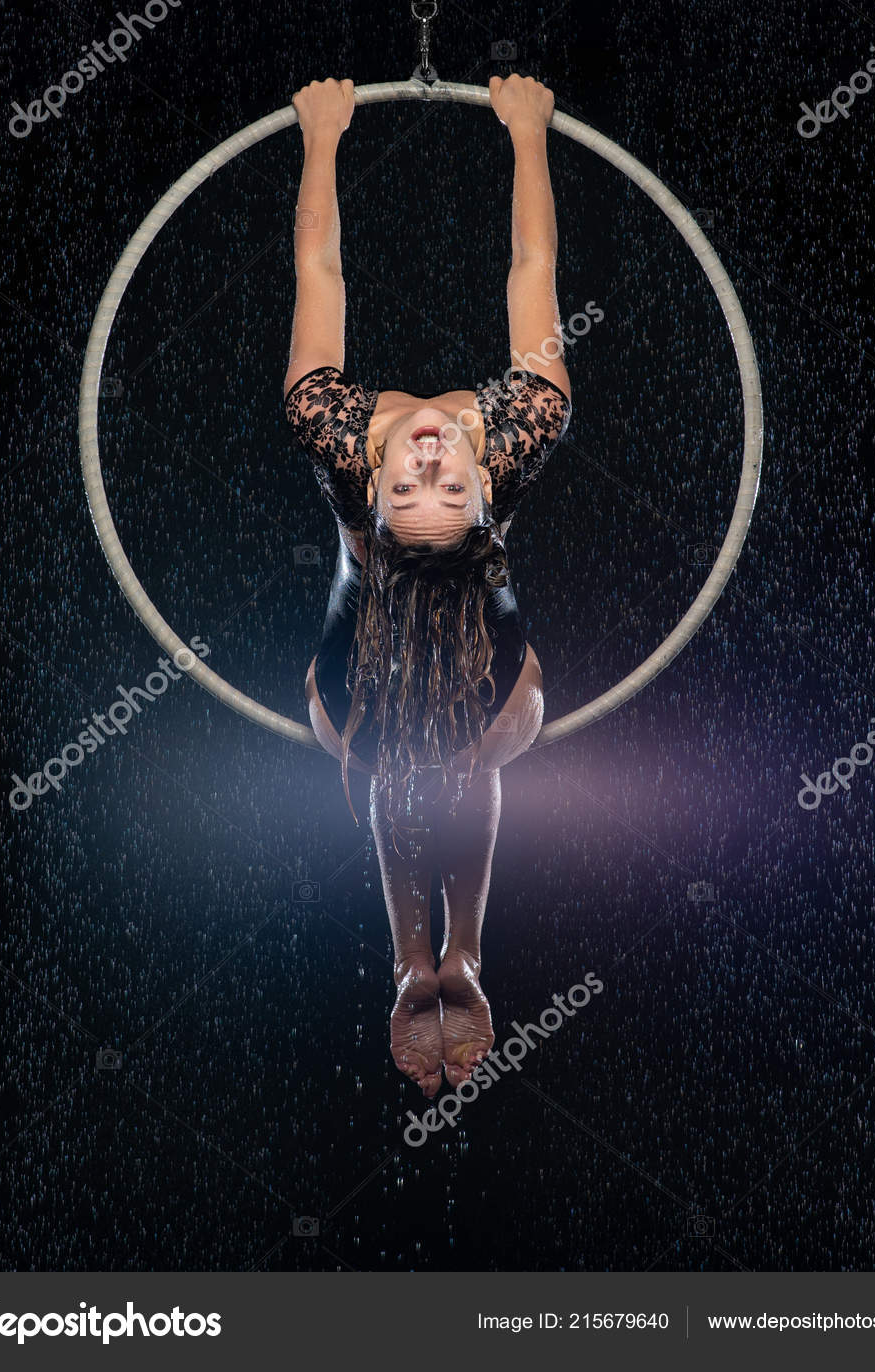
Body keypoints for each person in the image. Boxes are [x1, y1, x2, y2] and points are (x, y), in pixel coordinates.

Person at [283, 74, 571, 1099]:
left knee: (403, 749)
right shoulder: (524, 427)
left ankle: (423, 961)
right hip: (422, 632)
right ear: (487, 498)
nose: (434, 452)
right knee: (466, 741)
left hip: (366, 657)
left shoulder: (331, 427)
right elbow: (533, 266)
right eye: (430, 481)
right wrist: (527, 133)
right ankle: (456, 957)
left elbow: (319, 268)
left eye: (426, 479)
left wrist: (323, 139)